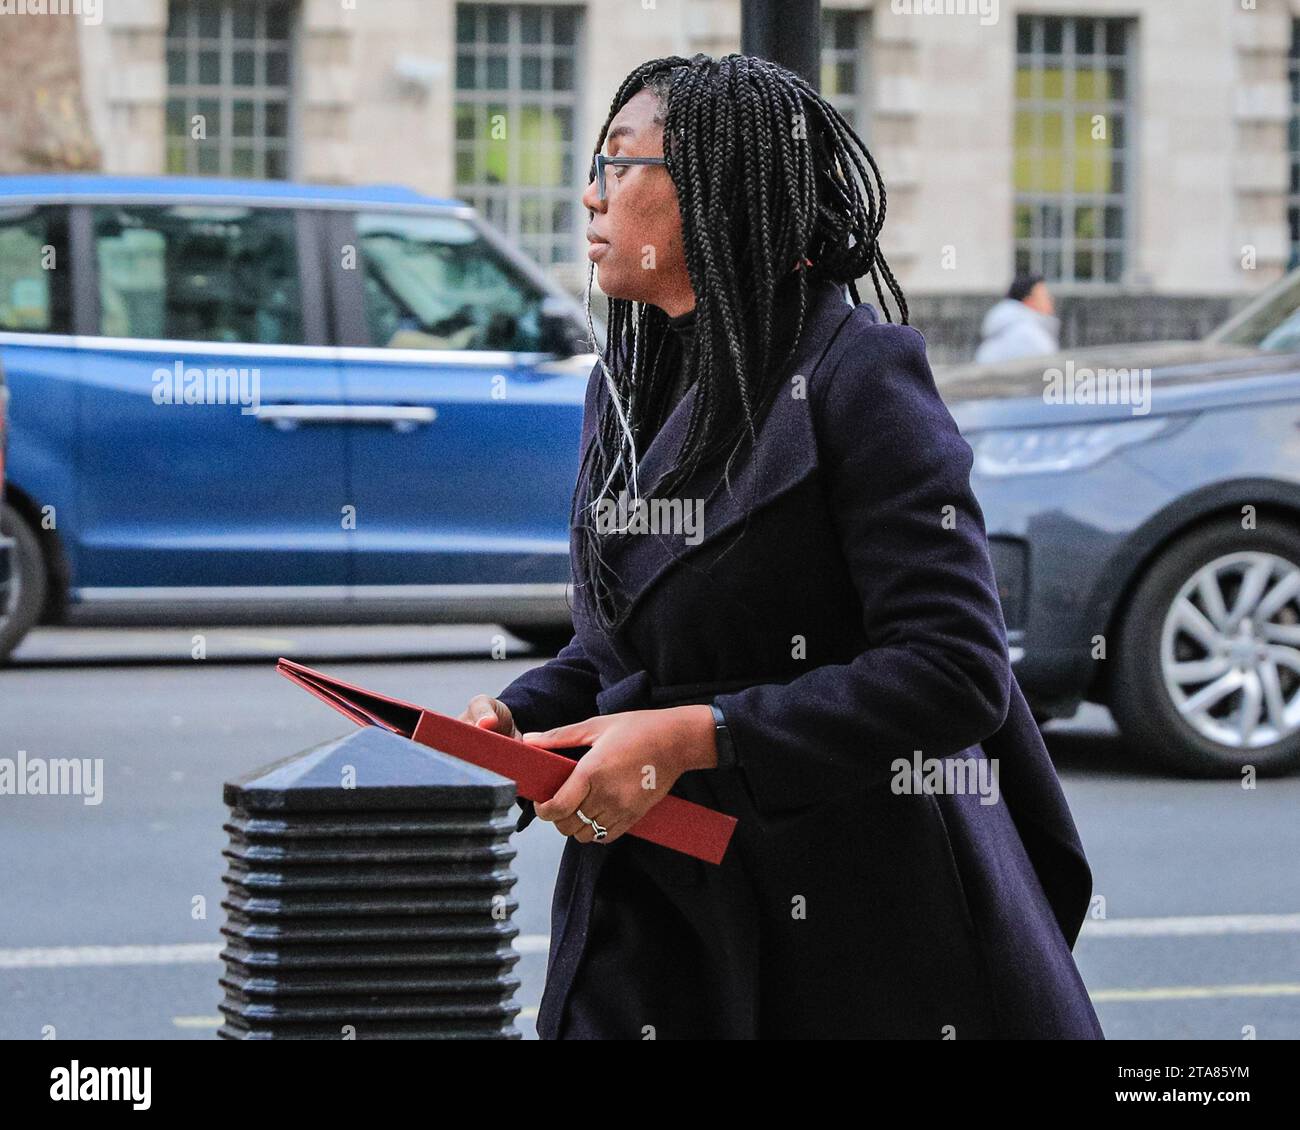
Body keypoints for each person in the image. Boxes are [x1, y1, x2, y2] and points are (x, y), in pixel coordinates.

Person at [458, 53, 1104, 1040]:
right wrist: (520, 715)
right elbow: (625, 643)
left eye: (623, 163)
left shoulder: (860, 376)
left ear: (718, 188)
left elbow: (953, 668)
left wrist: (697, 734)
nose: (590, 192)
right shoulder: (625, 382)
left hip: (854, 928)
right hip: (656, 903)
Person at [975, 272, 1061, 364]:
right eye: (1045, 296)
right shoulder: (1028, 336)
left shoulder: (1005, 329)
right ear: (1028, 300)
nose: (1051, 300)